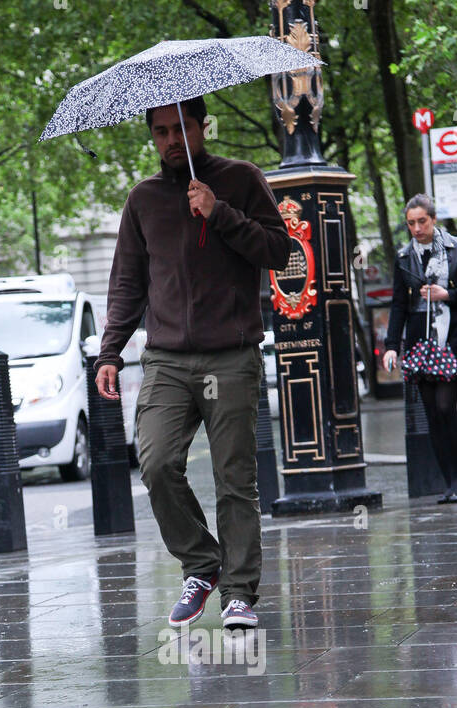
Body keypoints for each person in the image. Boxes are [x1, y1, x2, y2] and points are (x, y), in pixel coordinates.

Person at [93, 98, 291, 631]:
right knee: (156, 463)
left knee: (235, 478)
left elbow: (279, 252)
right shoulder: (144, 200)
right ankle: (201, 565)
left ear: (202, 127)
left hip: (231, 354)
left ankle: (240, 593)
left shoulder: (242, 179)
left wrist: (219, 212)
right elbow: (127, 283)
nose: (171, 141)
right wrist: (110, 351)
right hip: (166, 360)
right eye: (160, 132)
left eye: (180, 129)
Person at [382, 193, 457, 503]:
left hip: (451, 339)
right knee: (431, 414)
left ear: (434, 219)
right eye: (411, 223)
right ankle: (448, 482)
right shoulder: (404, 258)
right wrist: (391, 347)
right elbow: (399, 305)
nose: (416, 228)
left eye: (422, 221)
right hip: (419, 344)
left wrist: (447, 296)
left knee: (445, 407)